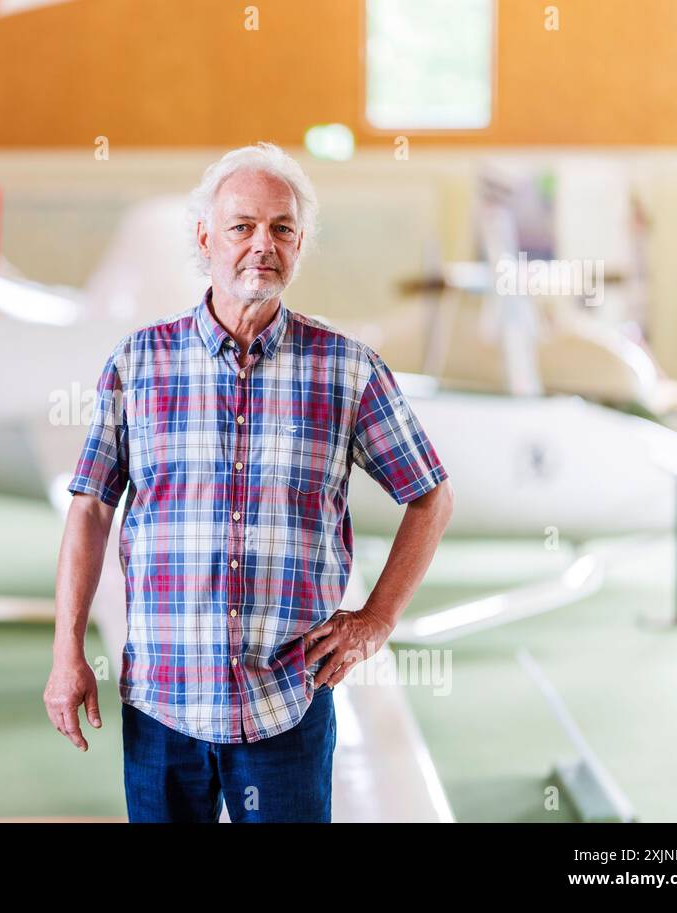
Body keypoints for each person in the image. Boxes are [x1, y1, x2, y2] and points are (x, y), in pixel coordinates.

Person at [44, 142, 454, 823]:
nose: (262, 244)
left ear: (299, 245)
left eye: (282, 228)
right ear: (205, 238)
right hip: (162, 704)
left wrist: (375, 620)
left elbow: (430, 492)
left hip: (286, 703)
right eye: (242, 226)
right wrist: (66, 655)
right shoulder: (139, 364)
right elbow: (88, 509)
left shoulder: (347, 371)